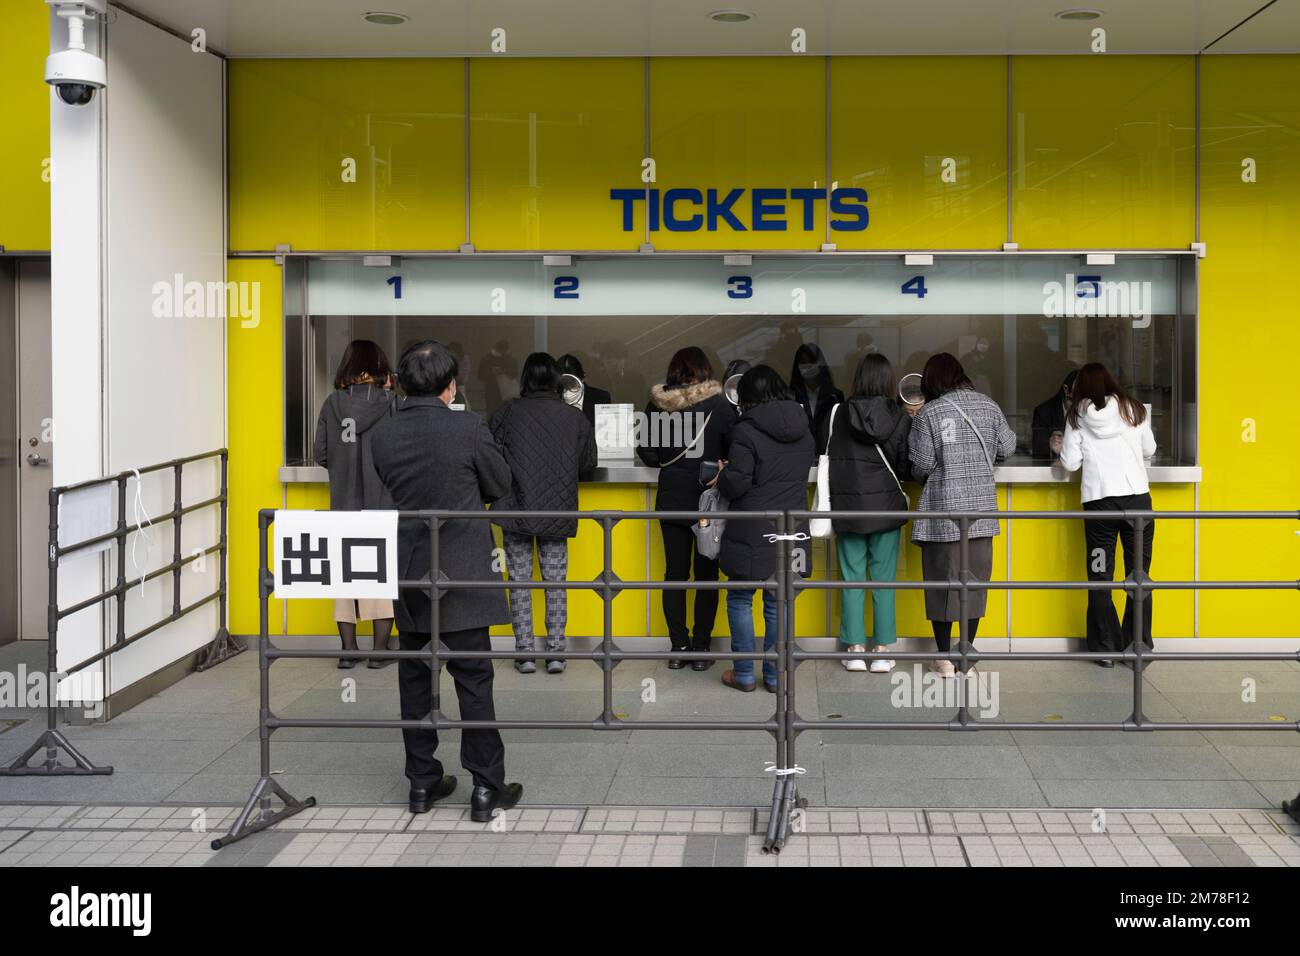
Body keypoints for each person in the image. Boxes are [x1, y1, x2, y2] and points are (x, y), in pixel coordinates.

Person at [370, 340, 523, 820]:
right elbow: (499, 485)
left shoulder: (383, 433)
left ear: (398, 383)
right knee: (474, 680)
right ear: (451, 386)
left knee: (415, 679)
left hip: (410, 568)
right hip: (464, 570)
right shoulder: (469, 427)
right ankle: (484, 788)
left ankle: (421, 783)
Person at [908, 353, 1016, 677]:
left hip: (943, 510)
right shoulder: (988, 406)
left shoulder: (929, 412)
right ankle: (965, 655)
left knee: (941, 584)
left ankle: (943, 658)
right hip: (981, 509)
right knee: (975, 584)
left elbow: (922, 464)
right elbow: (1008, 447)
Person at [489, 353, 598, 674]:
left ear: (524, 379)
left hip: (515, 509)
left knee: (519, 582)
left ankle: (524, 654)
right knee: (555, 583)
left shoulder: (508, 412)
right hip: (556, 509)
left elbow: (490, 457)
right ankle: (555, 654)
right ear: (556, 381)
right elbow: (587, 467)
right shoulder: (573, 418)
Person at [716, 366, 816, 693]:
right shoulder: (804, 427)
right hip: (791, 526)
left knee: (741, 597)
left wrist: (723, 474)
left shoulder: (745, 431)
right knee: (778, 601)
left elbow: (737, 483)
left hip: (751, 525)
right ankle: (774, 676)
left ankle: (744, 673)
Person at [1059, 362, 1157, 666]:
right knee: (1138, 576)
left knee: (1100, 575)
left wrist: (1058, 444)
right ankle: (1138, 646)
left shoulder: (1076, 416)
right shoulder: (1134, 409)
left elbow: (1070, 463)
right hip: (1138, 503)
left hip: (1101, 507)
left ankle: (1105, 648)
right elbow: (1150, 449)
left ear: (1081, 389)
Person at [636, 347, 728, 670]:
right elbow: (733, 449)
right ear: (705, 370)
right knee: (706, 576)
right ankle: (701, 650)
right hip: (707, 503)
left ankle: (678, 646)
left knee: (674, 575)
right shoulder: (718, 405)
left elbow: (648, 455)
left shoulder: (657, 406)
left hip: (672, 499)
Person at [823, 354, 913, 674]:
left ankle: (856, 649)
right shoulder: (901, 417)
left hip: (849, 508)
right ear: (889, 380)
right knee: (884, 580)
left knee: (851, 578)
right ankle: (884, 650)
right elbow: (906, 467)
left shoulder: (838, 413)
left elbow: (829, 456)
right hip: (886, 508)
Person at [312, 340, 398, 670]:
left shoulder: (332, 403)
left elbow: (320, 454)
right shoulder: (392, 404)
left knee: (346, 576)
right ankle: (379, 651)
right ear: (380, 369)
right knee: (379, 574)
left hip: (344, 504)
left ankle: (348, 649)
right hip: (383, 503)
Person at [789, 342, 844, 452]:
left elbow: (839, 430)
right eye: (803, 362)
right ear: (797, 366)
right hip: (798, 452)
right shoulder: (790, 396)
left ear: (820, 364)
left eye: (812, 362)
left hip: (828, 453)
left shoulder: (835, 396)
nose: (808, 366)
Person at [1030, 369, 1080, 460]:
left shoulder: (1093, 411)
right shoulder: (1044, 412)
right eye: (1075, 400)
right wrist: (1049, 444)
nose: (1080, 406)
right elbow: (1037, 449)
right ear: (1065, 389)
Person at [556, 352, 612, 427]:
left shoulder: (601, 398)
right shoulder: (551, 400)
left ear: (582, 379)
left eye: (572, 384)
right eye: (563, 385)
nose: (567, 390)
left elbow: (605, 433)